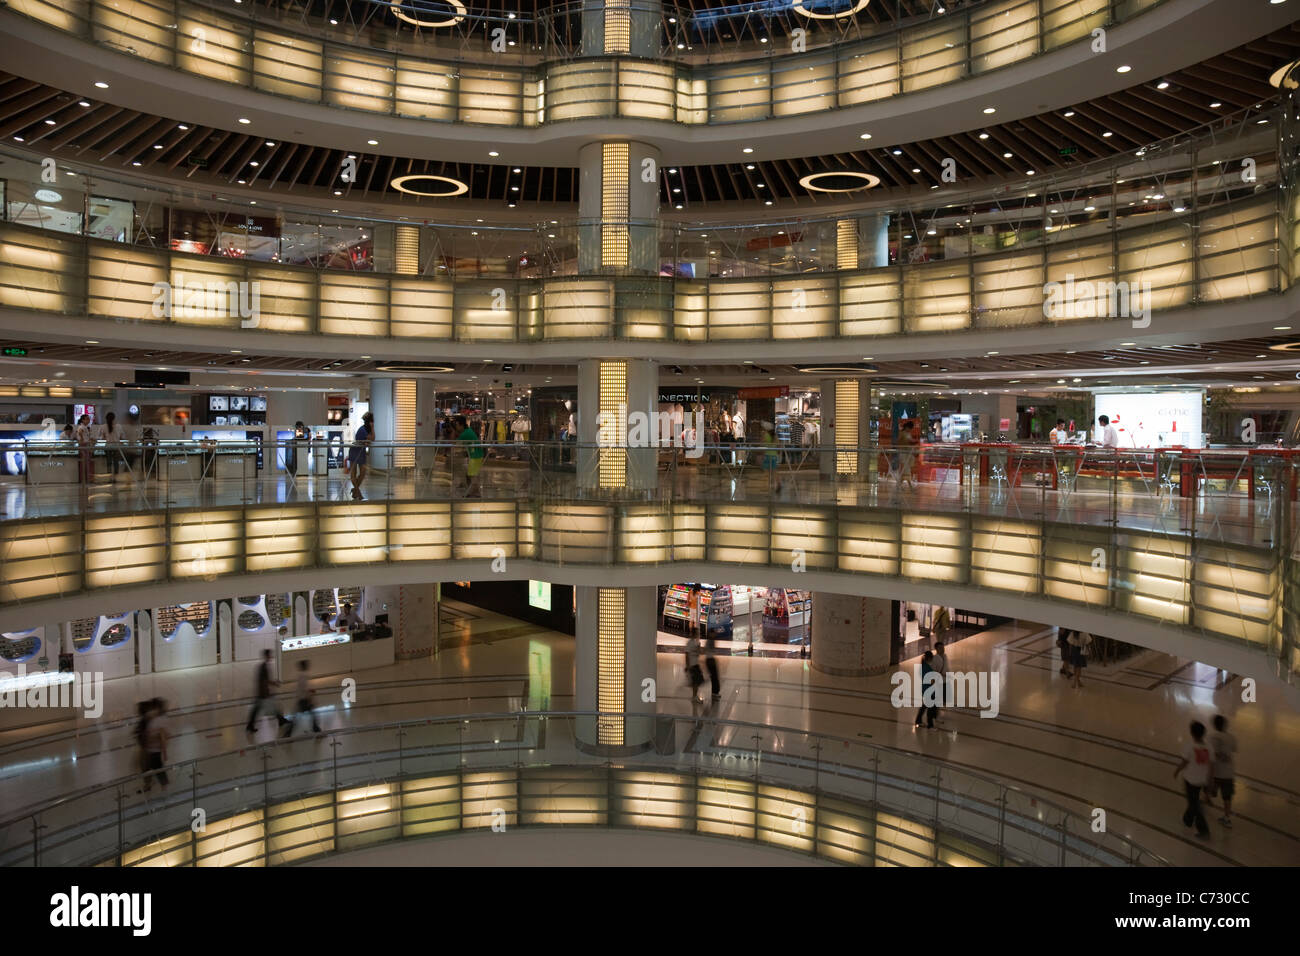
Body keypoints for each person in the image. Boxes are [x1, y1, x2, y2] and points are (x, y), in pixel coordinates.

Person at [1172, 720, 1212, 838]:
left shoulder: (1189, 746)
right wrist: (1210, 782)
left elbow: (1185, 762)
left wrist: (1177, 770)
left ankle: (1203, 830)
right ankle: (1187, 819)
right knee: (1193, 801)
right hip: (1203, 780)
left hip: (1191, 780)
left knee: (1194, 804)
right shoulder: (1209, 747)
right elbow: (1212, 765)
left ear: (1192, 733)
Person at [245, 648, 288, 737]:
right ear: (266, 656)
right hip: (263, 693)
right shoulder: (263, 666)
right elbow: (265, 680)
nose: (271, 657)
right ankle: (281, 720)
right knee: (267, 707)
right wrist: (273, 685)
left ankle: (280, 720)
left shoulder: (263, 666)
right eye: (269, 655)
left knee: (260, 708)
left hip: (262, 692)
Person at [1209, 714, 1237, 828]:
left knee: (1208, 789)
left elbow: (1212, 753)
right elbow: (1234, 749)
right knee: (1227, 797)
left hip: (1216, 772)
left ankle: (1202, 804)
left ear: (1214, 725)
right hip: (1229, 773)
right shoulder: (1231, 737)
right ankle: (1227, 818)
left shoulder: (1213, 737)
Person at [284, 660, 321, 737]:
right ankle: (317, 731)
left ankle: (288, 733)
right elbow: (306, 688)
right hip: (304, 700)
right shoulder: (304, 675)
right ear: (305, 666)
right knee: (312, 715)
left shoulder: (300, 675)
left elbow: (299, 688)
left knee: (297, 717)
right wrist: (311, 696)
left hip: (300, 699)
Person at [140, 698, 169, 793]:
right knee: (150, 767)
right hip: (150, 749)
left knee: (157, 768)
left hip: (154, 749)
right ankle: (150, 784)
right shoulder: (155, 718)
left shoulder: (160, 720)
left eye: (153, 708)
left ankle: (164, 787)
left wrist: (164, 751)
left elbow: (163, 736)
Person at [347, 411, 374, 500]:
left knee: (362, 473)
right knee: (353, 474)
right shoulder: (362, 430)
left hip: (361, 452)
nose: (372, 423)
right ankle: (358, 493)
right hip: (355, 451)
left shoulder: (368, 429)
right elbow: (369, 441)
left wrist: (372, 428)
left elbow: (372, 439)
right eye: (371, 421)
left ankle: (355, 490)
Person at [457, 415, 485, 497]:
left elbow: (455, 444)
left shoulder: (465, 433)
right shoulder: (468, 431)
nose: (456, 427)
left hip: (475, 457)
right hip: (476, 455)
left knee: (473, 476)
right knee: (472, 475)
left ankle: (470, 493)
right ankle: (475, 493)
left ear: (460, 424)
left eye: (457, 425)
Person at [98, 411, 125, 478]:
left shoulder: (103, 426)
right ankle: (116, 477)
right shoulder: (119, 426)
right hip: (116, 446)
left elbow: (100, 437)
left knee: (109, 463)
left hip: (108, 446)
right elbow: (122, 437)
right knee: (116, 463)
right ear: (114, 418)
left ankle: (109, 477)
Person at [914, 650, 936, 729]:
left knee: (924, 706)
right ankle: (930, 725)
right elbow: (932, 681)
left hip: (924, 688)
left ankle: (918, 721)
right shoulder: (928, 668)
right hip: (929, 690)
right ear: (929, 658)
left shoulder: (923, 666)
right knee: (930, 708)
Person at [74, 413, 94, 484]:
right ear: (83, 420)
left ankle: (85, 479)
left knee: (85, 463)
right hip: (84, 446)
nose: (89, 420)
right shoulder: (82, 427)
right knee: (84, 464)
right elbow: (79, 434)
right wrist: (82, 440)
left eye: (89, 419)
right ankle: (84, 479)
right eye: (87, 419)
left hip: (85, 446)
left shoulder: (85, 427)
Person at [931, 641, 948, 720]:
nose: (942, 649)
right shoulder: (935, 659)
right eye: (940, 648)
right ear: (936, 649)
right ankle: (935, 715)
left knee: (942, 699)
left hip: (945, 681)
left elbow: (947, 667)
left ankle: (936, 714)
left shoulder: (945, 656)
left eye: (943, 647)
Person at [685, 633, 704, 704]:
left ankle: (694, 696)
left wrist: (699, 647)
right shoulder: (689, 643)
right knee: (696, 682)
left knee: (698, 682)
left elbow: (698, 654)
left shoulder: (696, 643)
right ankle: (694, 697)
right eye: (697, 634)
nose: (698, 636)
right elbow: (686, 654)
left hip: (696, 664)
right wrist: (687, 666)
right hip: (692, 665)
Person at [704, 636, 720, 701]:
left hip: (711, 659)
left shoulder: (711, 641)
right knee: (714, 677)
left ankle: (715, 693)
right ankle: (714, 694)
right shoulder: (710, 641)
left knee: (715, 677)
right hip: (710, 660)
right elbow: (709, 650)